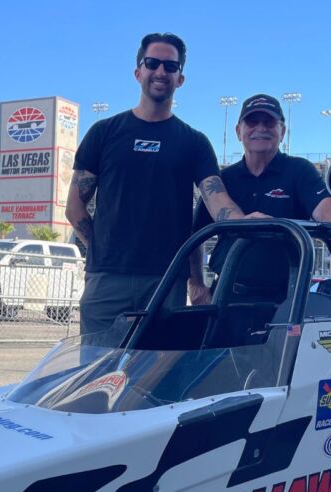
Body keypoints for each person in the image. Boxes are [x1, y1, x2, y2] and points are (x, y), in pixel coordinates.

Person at [66, 32, 262, 335]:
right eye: (153, 63)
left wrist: (243, 221)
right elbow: (75, 205)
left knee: (159, 377)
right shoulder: (104, 133)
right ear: (138, 72)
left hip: (166, 280)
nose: (161, 72)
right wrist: (99, 249)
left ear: (180, 78)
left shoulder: (194, 142)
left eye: (171, 67)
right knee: (97, 374)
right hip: (106, 281)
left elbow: (216, 198)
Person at [188, 94, 331, 305]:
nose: (261, 128)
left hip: (285, 302)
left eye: (269, 122)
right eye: (252, 121)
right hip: (226, 298)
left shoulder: (299, 171)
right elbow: (194, 236)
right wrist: (198, 287)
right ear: (238, 131)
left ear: (282, 131)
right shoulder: (224, 180)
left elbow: (330, 216)